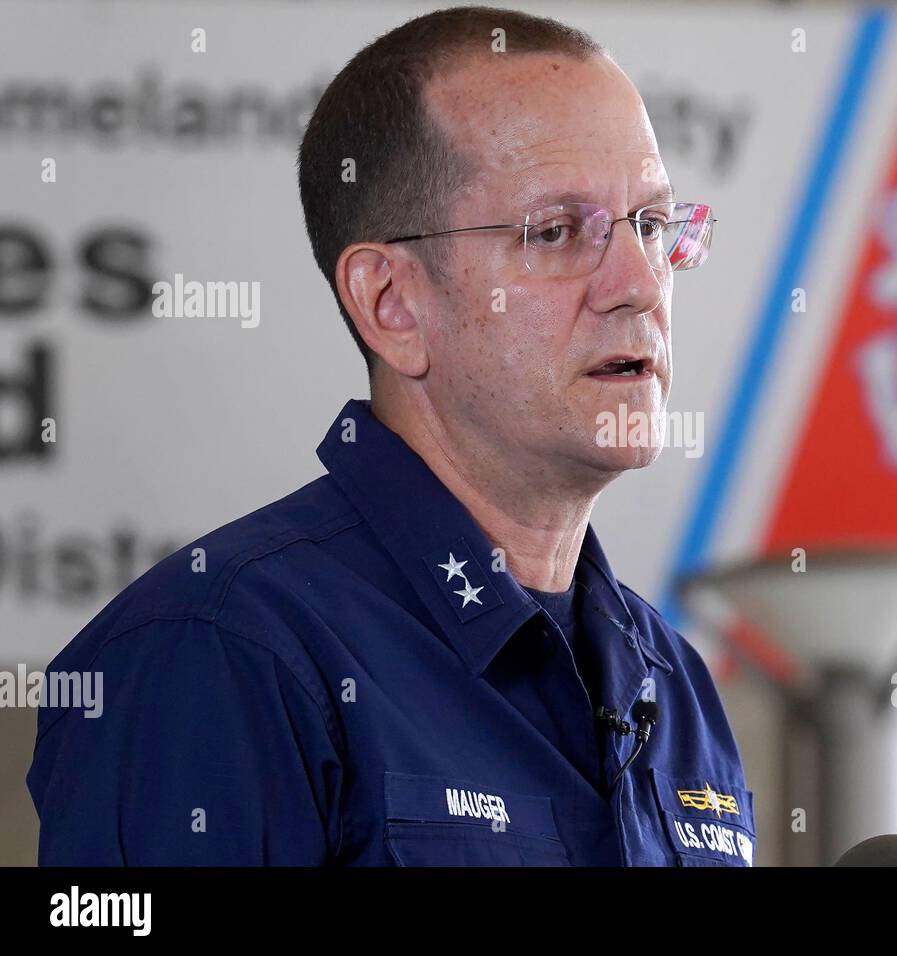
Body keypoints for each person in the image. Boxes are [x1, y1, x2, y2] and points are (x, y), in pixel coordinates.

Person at [26, 5, 755, 867]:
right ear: (392, 304)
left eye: (652, 225)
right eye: (558, 231)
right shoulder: (214, 653)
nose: (640, 283)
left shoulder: (674, 681)